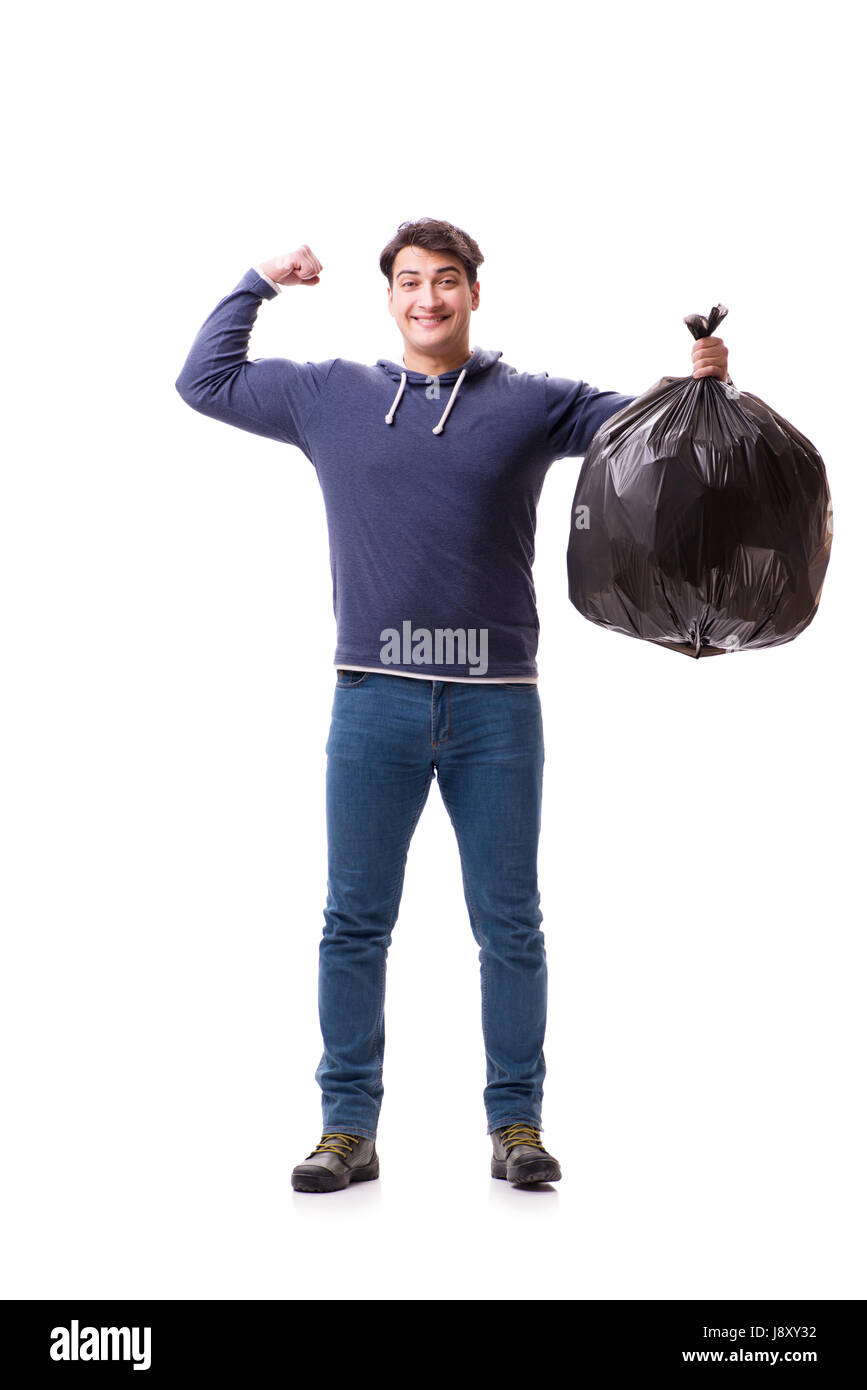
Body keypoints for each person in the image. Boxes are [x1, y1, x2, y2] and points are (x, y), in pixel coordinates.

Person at [175, 218, 729, 1193]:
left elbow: (653, 436)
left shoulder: (531, 402)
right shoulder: (329, 395)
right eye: (409, 282)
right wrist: (257, 279)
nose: (427, 298)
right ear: (388, 296)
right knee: (354, 920)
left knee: (509, 923)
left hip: (496, 709)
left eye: (446, 282)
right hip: (373, 699)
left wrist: (702, 386)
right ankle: (346, 1129)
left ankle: (517, 1124)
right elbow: (204, 380)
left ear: (475, 292)